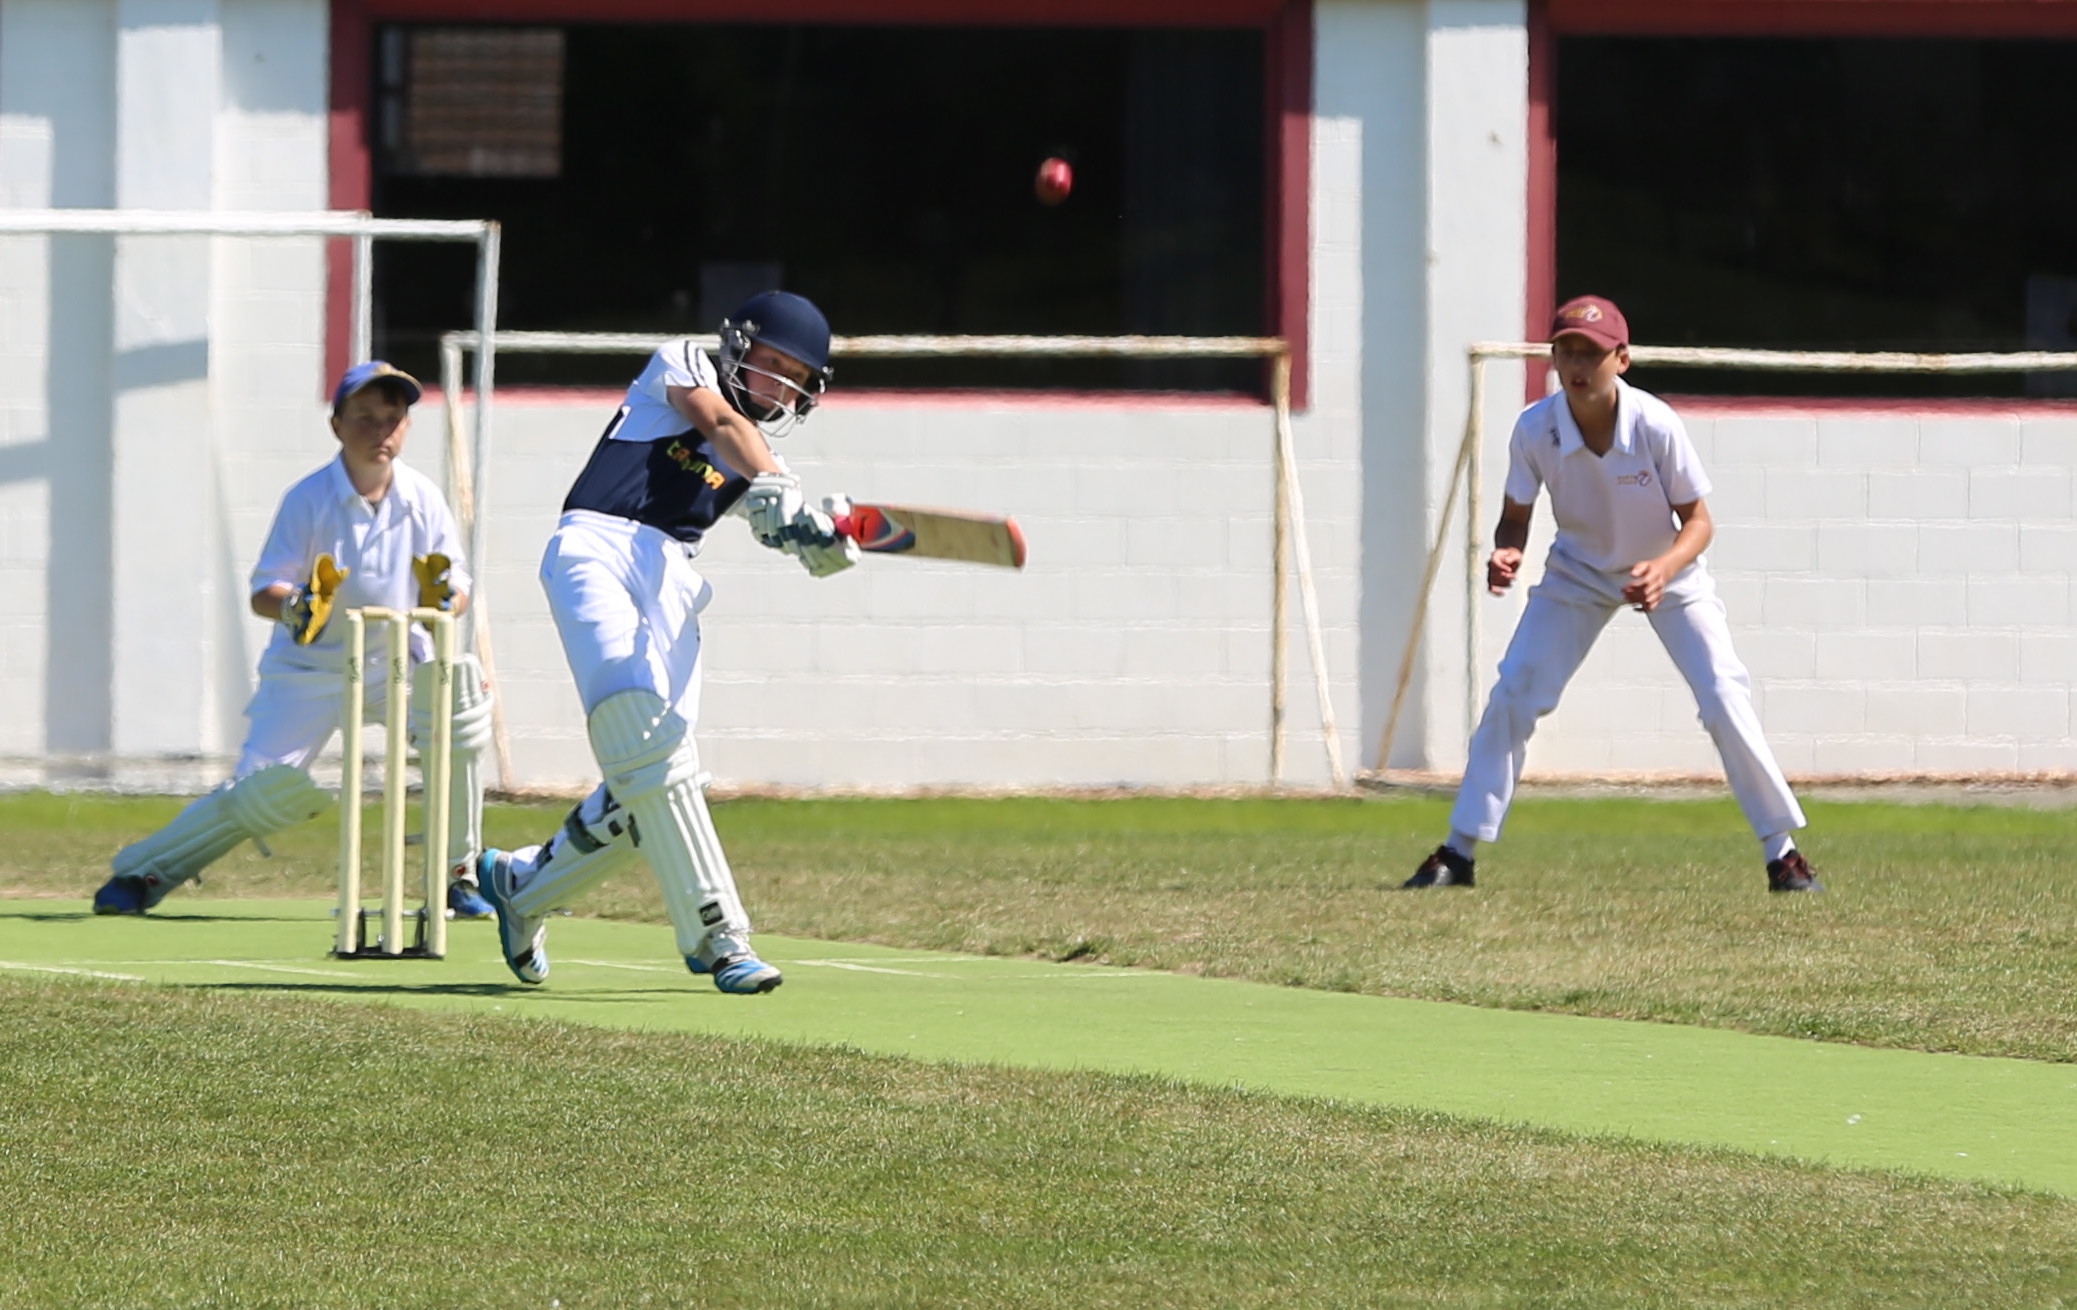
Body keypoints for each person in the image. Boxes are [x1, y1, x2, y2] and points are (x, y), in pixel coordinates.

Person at [476, 290, 859, 995]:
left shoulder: (759, 456)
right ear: (739, 345)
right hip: (597, 546)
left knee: (649, 777)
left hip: (673, 580)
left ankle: (521, 887)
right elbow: (715, 420)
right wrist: (781, 484)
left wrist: (814, 539)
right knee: (639, 732)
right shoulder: (683, 363)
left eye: (795, 379)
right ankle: (720, 939)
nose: (778, 384)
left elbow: (768, 515)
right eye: (772, 364)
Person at [1405, 295, 1820, 894]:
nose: (1578, 365)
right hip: (1577, 571)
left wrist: (1663, 566)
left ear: (1621, 359)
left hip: (1669, 572)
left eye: (1592, 354)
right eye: (1567, 351)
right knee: (1515, 694)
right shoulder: (1535, 427)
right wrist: (1507, 551)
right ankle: (1458, 853)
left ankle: (1783, 855)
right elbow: (1514, 517)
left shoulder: (1654, 423)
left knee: (1724, 696)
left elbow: (1699, 522)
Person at [93, 362, 498, 919]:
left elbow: (457, 589)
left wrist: (442, 599)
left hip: (395, 664)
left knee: (457, 720)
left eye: (392, 419)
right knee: (260, 790)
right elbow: (264, 592)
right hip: (311, 669)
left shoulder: (424, 499)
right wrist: (298, 604)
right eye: (364, 419)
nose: (380, 431)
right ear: (337, 425)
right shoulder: (308, 499)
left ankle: (459, 876)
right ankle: (142, 875)